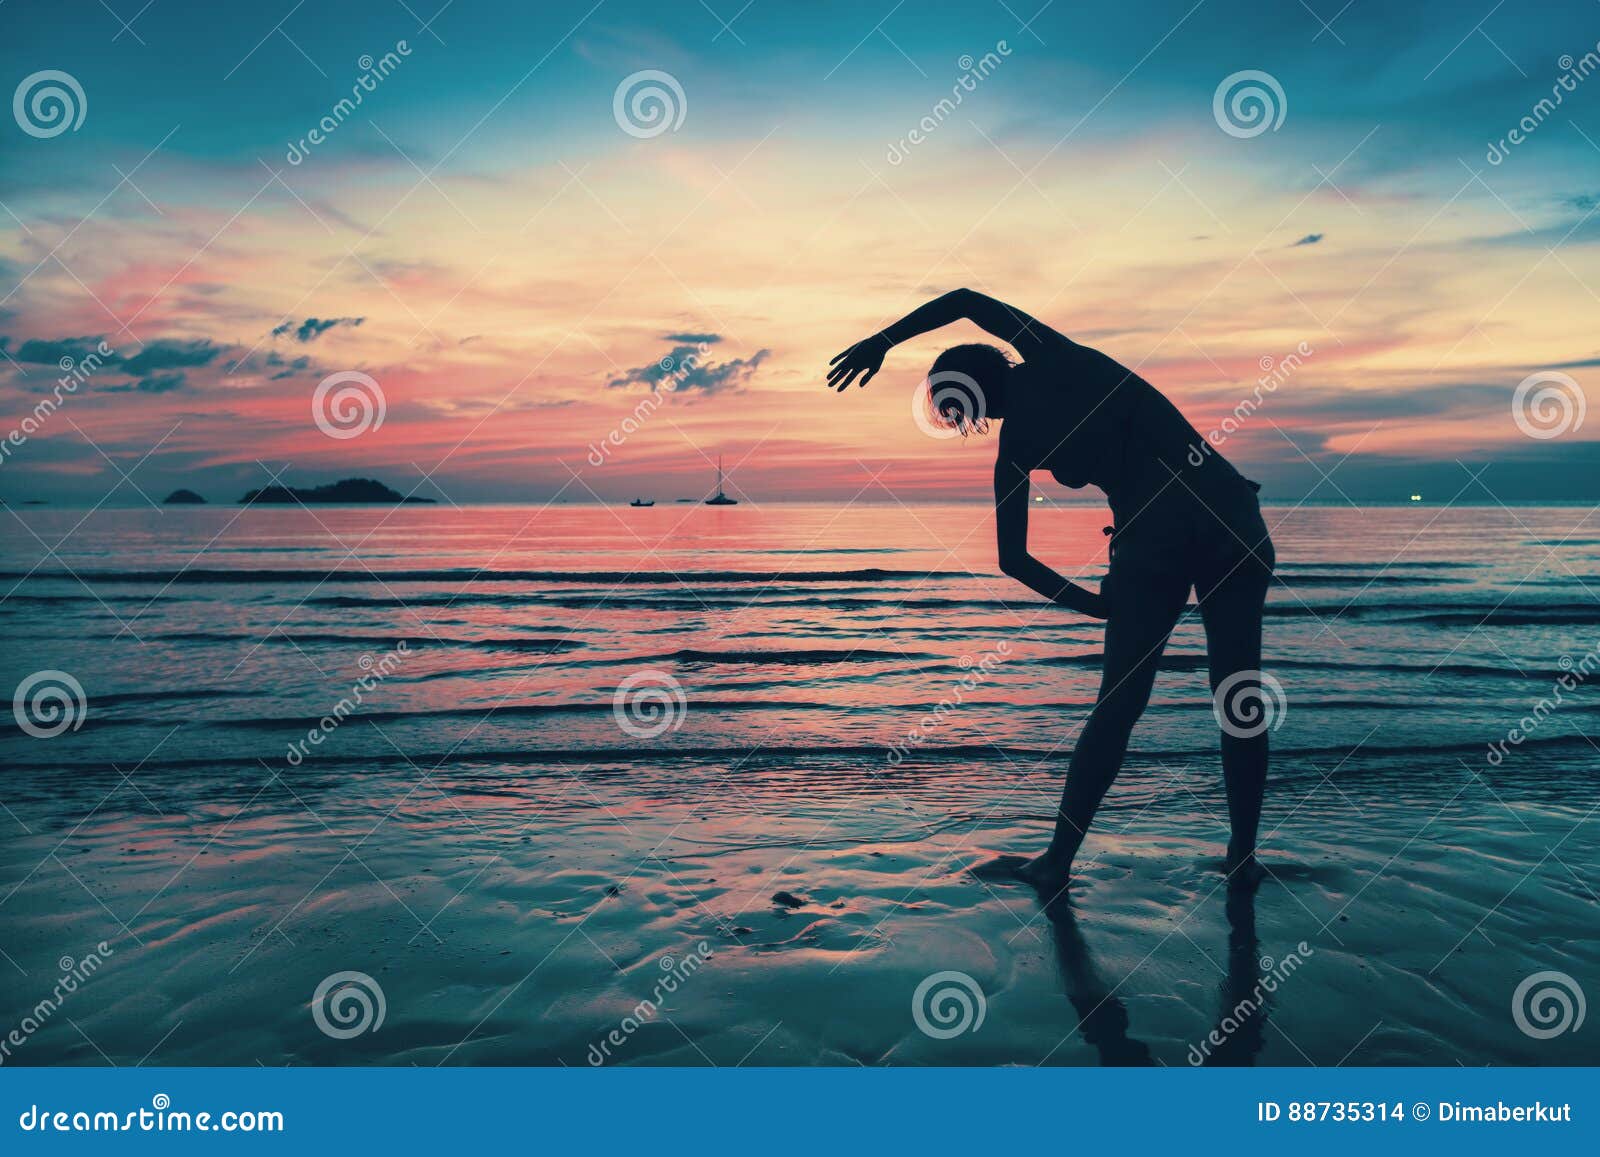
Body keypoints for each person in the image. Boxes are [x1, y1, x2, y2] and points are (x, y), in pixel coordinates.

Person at [828, 288, 1275, 899]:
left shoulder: (1021, 434)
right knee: (1236, 692)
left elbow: (1014, 559)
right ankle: (1242, 857)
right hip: (1230, 511)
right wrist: (883, 341)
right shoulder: (1058, 357)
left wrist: (1092, 604)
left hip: (1156, 535)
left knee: (1118, 706)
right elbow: (963, 298)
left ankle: (1057, 862)